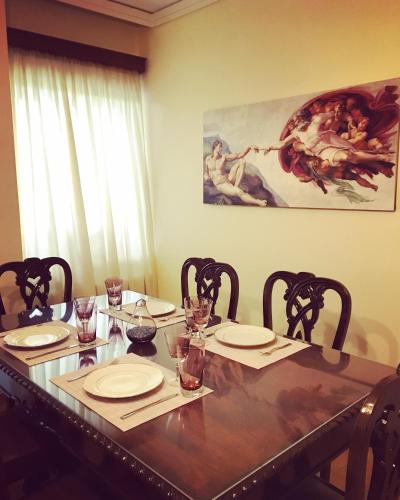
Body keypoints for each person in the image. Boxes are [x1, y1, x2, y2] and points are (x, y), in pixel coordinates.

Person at [264, 109, 392, 167]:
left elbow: (333, 114)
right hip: (321, 150)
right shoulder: (296, 133)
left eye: (297, 119)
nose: (296, 122)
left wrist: (340, 115)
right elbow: (282, 144)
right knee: (346, 157)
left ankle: (379, 156)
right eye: (295, 120)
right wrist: (269, 147)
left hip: (330, 140)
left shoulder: (317, 120)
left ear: (304, 118)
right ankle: (378, 157)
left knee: (352, 154)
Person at [205, 140, 267, 207]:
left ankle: (236, 186)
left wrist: (249, 148)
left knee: (242, 161)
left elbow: (239, 155)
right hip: (221, 184)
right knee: (238, 191)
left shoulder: (224, 157)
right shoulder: (208, 159)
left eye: (221, 147)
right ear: (215, 146)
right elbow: (206, 172)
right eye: (220, 146)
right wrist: (206, 177)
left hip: (228, 179)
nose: (221, 148)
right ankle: (258, 202)